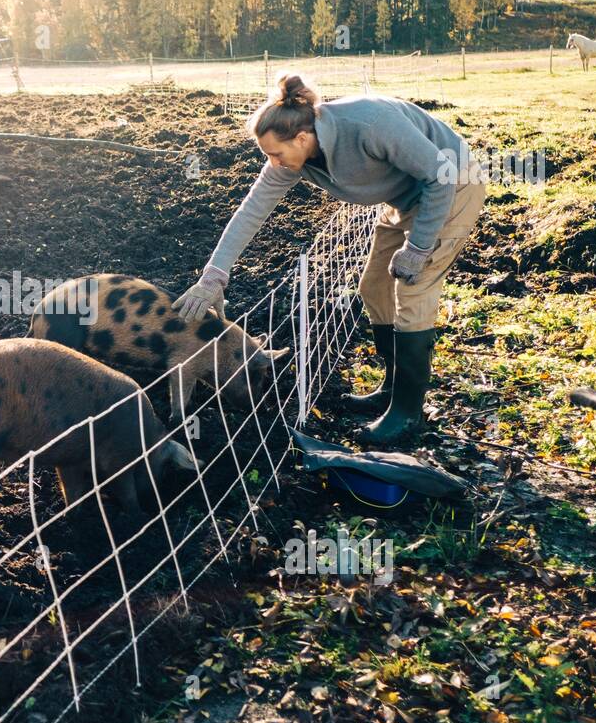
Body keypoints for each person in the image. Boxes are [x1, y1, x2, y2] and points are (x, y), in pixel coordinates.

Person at [174, 73, 486, 445]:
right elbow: (251, 211)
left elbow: (439, 175)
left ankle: (407, 413)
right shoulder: (292, 160)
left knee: (412, 291)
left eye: (275, 153)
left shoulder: (369, 124)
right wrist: (214, 275)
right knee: (374, 287)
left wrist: (419, 249)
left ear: (302, 138)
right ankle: (392, 387)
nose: (272, 162)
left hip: (453, 184)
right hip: (406, 198)